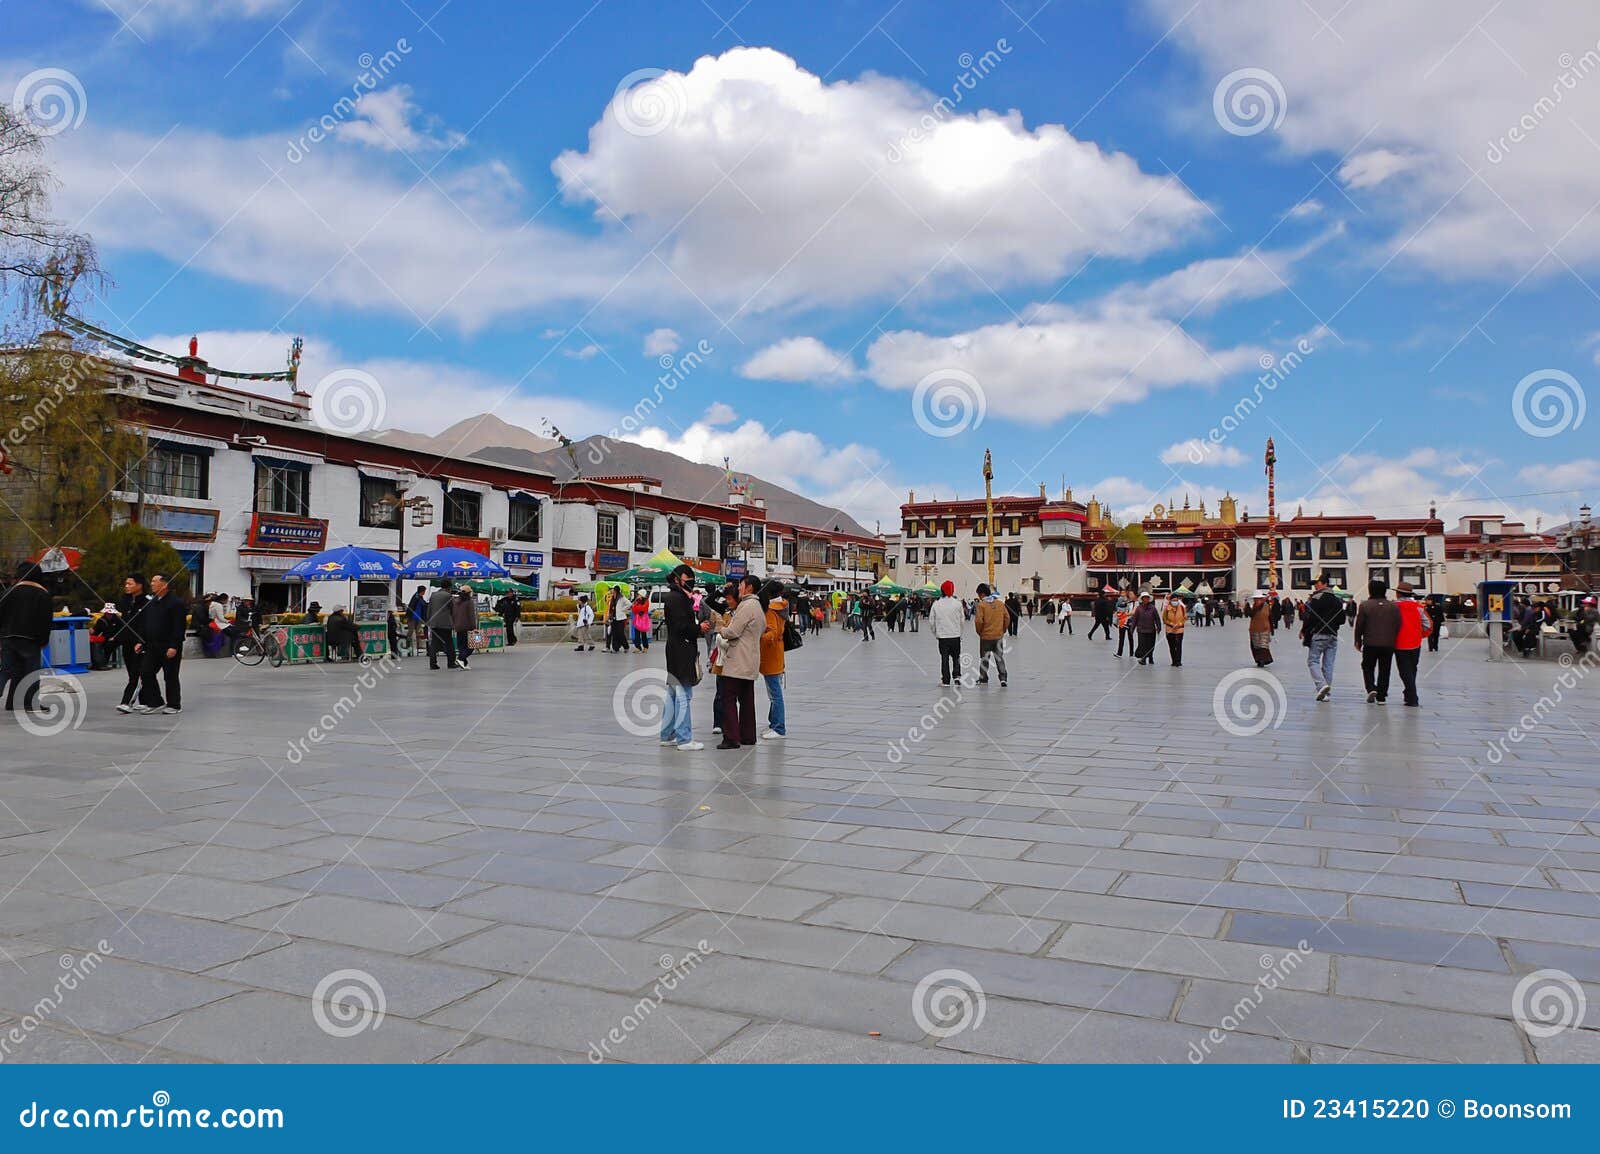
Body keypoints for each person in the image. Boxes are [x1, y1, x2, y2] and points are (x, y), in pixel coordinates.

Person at [659, 563, 706, 751]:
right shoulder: (676, 598)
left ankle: (667, 734)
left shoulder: (676, 596)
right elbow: (681, 627)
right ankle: (684, 738)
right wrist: (699, 628)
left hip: (675, 649)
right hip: (681, 650)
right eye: (688, 580)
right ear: (678, 579)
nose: (690, 583)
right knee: (683, 696)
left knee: (672, 694)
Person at [715, 575, 765, 748]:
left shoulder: (746, 605)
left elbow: (733, 631)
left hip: (738, 661)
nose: (739, 588)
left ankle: (731, 737)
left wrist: (721, 629)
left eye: (741, 585)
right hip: (751, 660)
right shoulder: (758, 606)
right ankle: (748, 735)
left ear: (749, 587)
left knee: (728, 698)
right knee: (746, 700)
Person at [0, 564, 53, 713]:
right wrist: (43, 641)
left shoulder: (9, 592)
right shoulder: (43, 594)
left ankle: (12, 702)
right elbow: (45, 621)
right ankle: (30, 703)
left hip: (8, 637)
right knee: (31, 672)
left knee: (8, 670)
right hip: (30, 639)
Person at [135, 572, 187, 715]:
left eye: (154, 581)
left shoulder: (176, 603)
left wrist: (174, 646)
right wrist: (141, 641)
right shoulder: (152, 602)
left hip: (169, 646)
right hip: (152, 645)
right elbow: (146, 624)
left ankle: (174, 704)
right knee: (146, 672)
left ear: (164, 584)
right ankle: (155, 701)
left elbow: (179, 627)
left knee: (170, 675)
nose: (151, 584)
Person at [1353, 579, 1400, 704]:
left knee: (1367, 666)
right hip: (1388, 643)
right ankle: (1382, 696)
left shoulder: (1365, 605)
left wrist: (1358, 640)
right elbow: (1398, 624)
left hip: (1370, 643)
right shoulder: (1393, 606)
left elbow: (1359, 625)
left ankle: (1371, 688)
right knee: (1385, 669)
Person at [1301, 574, 1344, 702]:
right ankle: (1326, 693)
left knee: (1313, 661)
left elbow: (1310, 617)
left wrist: (1304, 630)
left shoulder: (1316, 598)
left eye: (1317, 582)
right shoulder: (1337, 600)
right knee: (1328, 664)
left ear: (1324, 584)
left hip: (1319, 634)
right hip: (1333, 635)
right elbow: (1341, 619)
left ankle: (1321, 685)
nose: (1315, 585)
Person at [111, 576, 151, 712]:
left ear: (139, 585)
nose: (126, 586)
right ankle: (145, 700)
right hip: (126, 641)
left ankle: (126, 701)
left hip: (139, 643)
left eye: (130, 583)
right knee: (132, 673)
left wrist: (142, 641)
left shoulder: (147, 602)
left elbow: (147, 624)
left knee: (136, 673)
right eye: (126, 583)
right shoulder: (124, 601)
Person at [1393, 583, 1432, 708]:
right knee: (1412, 669)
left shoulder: (1394, 606)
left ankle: (1412, 696)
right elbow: (1428, 625)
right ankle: (1408, 694)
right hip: (1415, 643)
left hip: (1399, 643)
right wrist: (1420, 635)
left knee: (1404, 670)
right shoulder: (1418, 607)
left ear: (1398, 593)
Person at [758, 580, 788, 739]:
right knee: (774, 691)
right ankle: (773, 723)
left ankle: (778, 727)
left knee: (775, 693)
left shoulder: (771, 610)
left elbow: (772, 633)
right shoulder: (782, 606)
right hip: (777, 653)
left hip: (770, 654)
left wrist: (758, 637)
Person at [974, 582, 1010, 686]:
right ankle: (1003, 678)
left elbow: (978, 621)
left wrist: (980, 632)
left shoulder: (981, 605)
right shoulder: (1000, 604)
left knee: (985, 658)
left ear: (982, 594)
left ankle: (983, 678)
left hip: (986, 636)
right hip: (998, 635)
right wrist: (1003, 629)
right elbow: (1007, 617)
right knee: (999, 657)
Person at [930, 579, 964, 686]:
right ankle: (957, 676)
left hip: (943, 636)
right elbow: (962, 621)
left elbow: (931, 622)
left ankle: (945, 680)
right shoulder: (957, 604)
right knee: (956, 657)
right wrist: (960, 632)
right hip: (955, 635)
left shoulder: (936, 604)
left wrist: (936, 633)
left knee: (944, 658)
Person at [428, 580, 459, 669]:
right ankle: (451, 663)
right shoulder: (448, 596)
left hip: (434, 623)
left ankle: (432, 664)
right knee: (449, 643)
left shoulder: (433, 595)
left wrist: (429, 621)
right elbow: (453, 610)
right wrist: (454, 622)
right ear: (449, 587)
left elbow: (429, 609)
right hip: (445, 624)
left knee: (434, 644)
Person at [1131, 591, 1162, 666]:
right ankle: (1143, 659)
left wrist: (1159, 627)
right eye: (1144, 598)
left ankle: (1150, 657)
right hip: (1141, 630)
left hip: (1151, 630)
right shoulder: (1139, 608)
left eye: (1147, 598)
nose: (1146, 599)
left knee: (1151, 645)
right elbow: (1135, 619)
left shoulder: (1153, 608)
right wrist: (1132, 629)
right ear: (1142, 599)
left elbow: (1157, 618)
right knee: (1142, 645)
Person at [451, 587, 477, 669]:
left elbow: (453, 614)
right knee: (471, 646)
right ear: (468, 593)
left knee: (461, 646)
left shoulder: (456, 601)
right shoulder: (469, 602)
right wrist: (474, 627)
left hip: (458, 626)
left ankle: (464, 663)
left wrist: (454, 624)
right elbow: (472, 616)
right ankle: (460, 659)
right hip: (467, 626)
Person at [1247, 590, 1274, 666]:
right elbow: (1250, 614)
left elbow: (1270, 617)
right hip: (1254, 629)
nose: (1256, 600)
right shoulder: (1254, 607)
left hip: (1264, 628)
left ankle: (1263, 659)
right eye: (1255, 599)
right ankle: (1259, 660)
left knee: (1263, 645)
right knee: (1256, 645)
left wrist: (1272, 629)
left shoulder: (1265, 606)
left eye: (1258, 599)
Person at [1161, 592, 1186, 666]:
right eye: (1173, 600)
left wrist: (1180, 624)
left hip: (1179, 630)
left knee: (1178, 645)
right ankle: (1174, 660)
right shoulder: (1167, 608)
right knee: (1172, 646)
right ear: (1170, 600)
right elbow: (1164, 619)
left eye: (1176, 600)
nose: (1175, 601)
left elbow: (1185, 617)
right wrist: (1171, 624)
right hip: (1170, 630)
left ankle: (1178, 661)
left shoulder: (1182, 607)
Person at [406, 587, 428, 655]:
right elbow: (412, 606)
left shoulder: (420, 597)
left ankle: (418, 646)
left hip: (418, 618)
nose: (425, 592)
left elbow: (423, 605)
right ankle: (408, 646)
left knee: (418, 632)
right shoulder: (416, 597)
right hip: (412, 618)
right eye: (424, 591)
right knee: (411, 631)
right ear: (422, 591)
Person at [1114, 593, 1133, 657]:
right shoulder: (1122, 603)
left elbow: (1133, 613)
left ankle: (1131, 653)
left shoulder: (1133, 603)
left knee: (1130, 638)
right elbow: (1118, 612)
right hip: (1122, 622)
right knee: (1121, 638)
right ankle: (1119, 653)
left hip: (1129, 622)